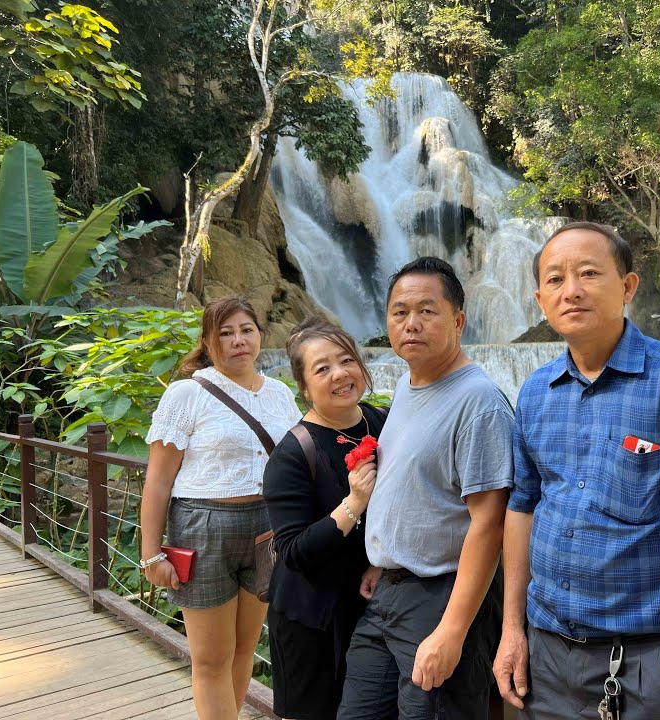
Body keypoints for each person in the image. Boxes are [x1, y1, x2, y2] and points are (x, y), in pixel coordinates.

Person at [493, 222, 660, 720]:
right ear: (539, 299)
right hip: (546, 658)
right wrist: (513, 630)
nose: (570, 290)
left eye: (589, 273)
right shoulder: (535, 392)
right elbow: (523, 508)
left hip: (646, 664)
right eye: (555, 280)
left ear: (628, 286)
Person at [336, 257, 513, 720]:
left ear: (458, 320)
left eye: (427, 311)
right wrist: (384, 555)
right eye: (399, 312)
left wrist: (452, 631)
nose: (411, 323)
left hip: (441, 600)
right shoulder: (407, 386)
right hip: (388, 594)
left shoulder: (479, 403)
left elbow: (489, 522)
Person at [139, 295, 302, 720]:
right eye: (225, 333)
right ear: (208, 343)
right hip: (203, 526)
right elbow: (157, 481)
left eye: (246, 329)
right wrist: (151, 554)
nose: (238, 340)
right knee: (211, 660)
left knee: (244, 648)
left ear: (260, 335)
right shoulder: (186, 394)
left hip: (267, 527)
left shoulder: (281, 395)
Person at [262, 317, 390, 720]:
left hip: (373, 605)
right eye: (322, 368)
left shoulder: (382, 422)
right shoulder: (293, 454)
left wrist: (379, 562)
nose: (340, 374)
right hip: (312, 617)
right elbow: (294, 552)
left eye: (346, 360)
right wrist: (354, 502)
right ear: (303, 388)